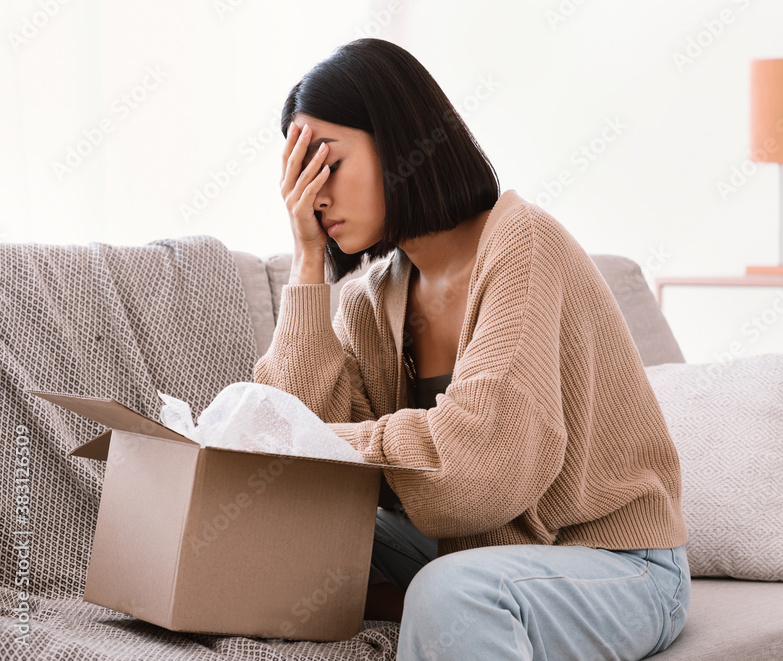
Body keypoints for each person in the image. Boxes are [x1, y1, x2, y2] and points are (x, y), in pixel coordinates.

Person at [253, 37, 690, 661]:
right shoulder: (371, 298)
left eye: (326, 162)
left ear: (399, 141)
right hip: (472, 546)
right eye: (298, 172)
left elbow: (475, 472)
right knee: (278, 529)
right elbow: (285, 448)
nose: (313, 194)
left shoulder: (524, 245)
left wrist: (315, 442)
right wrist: (306, 262)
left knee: (451, 595)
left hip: (614, 561)